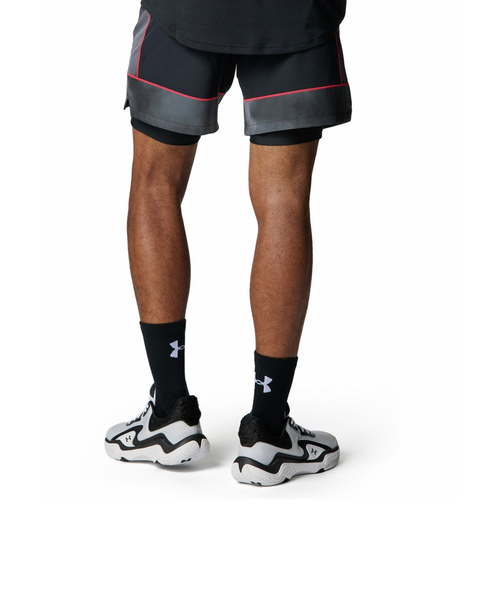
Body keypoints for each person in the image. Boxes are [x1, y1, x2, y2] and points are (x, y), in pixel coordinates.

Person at [105, 0, 352, 486]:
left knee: (156, 184)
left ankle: (170, 414)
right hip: (294, 14)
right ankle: (268, 433)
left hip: (184, 10)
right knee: (283, 200)